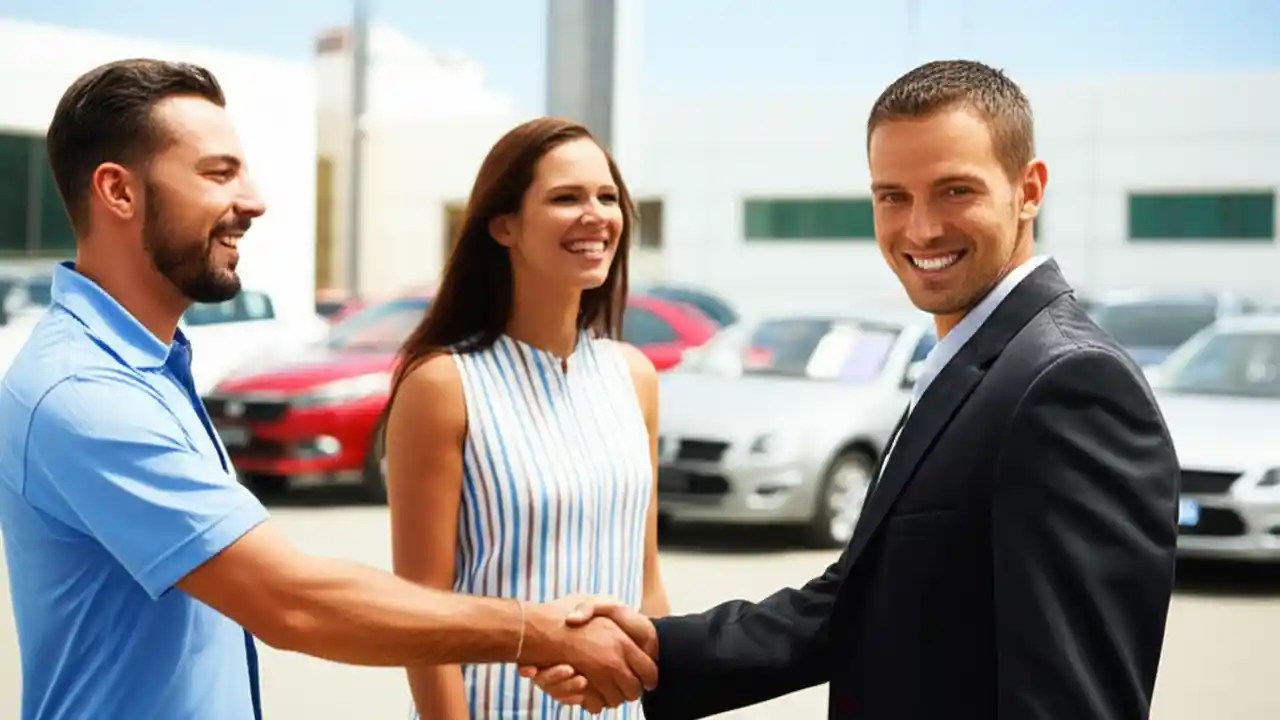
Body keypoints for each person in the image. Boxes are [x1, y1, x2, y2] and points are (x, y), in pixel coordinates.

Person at [522, 59, 1181, 719]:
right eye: (892, 195)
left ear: (1029, 189)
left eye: (956, 190)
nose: (920, 228)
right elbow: (859, 600)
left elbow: (1075, 701)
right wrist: (657, 652)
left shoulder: (1066, 384)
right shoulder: (977, 359)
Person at [0, 58, 656, 720]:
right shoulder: (85, 391)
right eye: (218, 173)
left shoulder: (146, 366)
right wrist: (534, 632)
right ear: (118, 192)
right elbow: (291, 601)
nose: (253, 201)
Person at [383, 116, 670, 719]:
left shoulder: (634, 377)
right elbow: (419, 612)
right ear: (504, 225)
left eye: (607, 196)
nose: (595, 215)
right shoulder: (443, 384)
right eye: (566, 197)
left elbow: (645, 586)